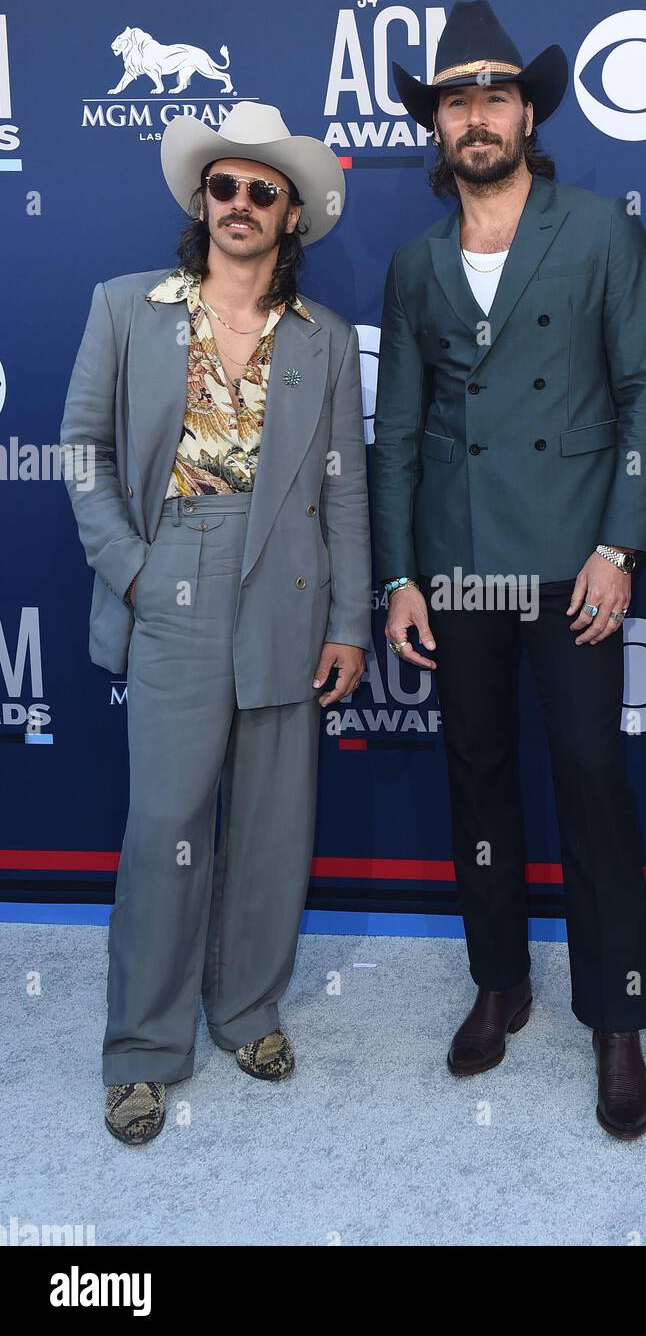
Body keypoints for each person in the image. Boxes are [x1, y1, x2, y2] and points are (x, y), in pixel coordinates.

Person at [373, 0, 646, 1139]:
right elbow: (397, 428)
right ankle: (498, 981)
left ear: (528, 112)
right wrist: (400, 573)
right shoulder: (413, 264)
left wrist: (618, 544)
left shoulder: (598, 231)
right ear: (437, 127)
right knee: (476, 775)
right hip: (457, 568)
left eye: (496, 96)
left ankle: (616, 1016)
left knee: (593, 783)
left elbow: (644, 392)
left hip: (572, 560)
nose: (478, 116)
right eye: (457, 100)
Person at [60, 101, 371, 1144]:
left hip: (287, 579)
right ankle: (144, 1050)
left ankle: (245, 1011)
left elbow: (348, 494)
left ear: (290, 218)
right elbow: (81, 452)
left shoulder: (322, 342)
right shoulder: (125, 308)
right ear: (204, 202)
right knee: (165, 826)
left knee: (275, 822)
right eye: (224, 186)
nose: (238, 204)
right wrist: (135, 570)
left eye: (261, 191)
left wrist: (348, 621)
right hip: (173, 569)